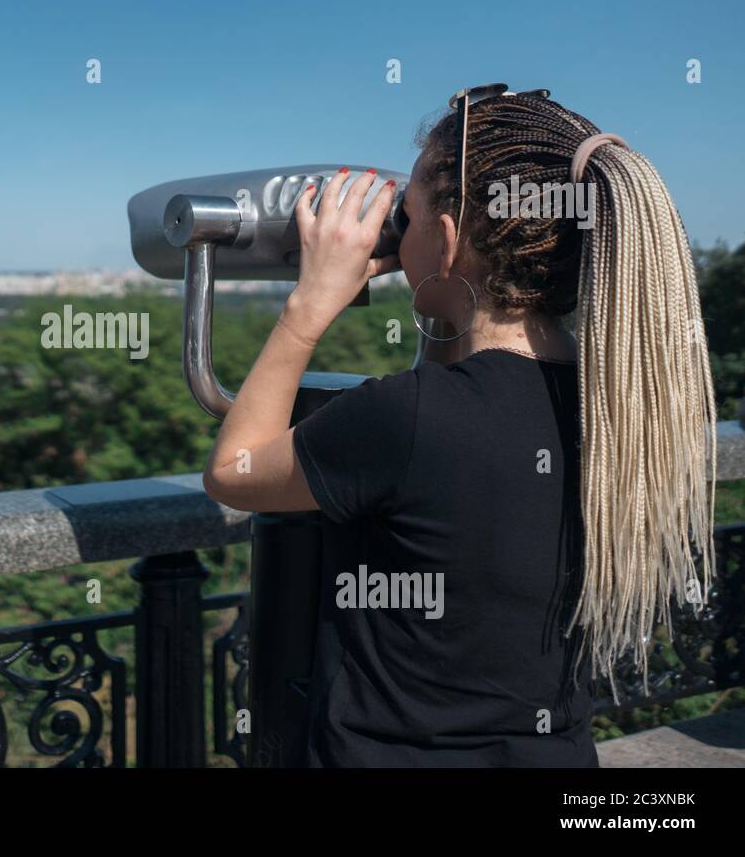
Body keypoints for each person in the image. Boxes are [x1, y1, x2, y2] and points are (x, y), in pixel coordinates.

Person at [202, 85, 716, 766]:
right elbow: (464, 397)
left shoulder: (404, 418)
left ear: (445, 239)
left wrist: (310, 301)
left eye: (406, 216)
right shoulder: (622, 405)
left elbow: (233, 474)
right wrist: (443, 288)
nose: (396, 232)